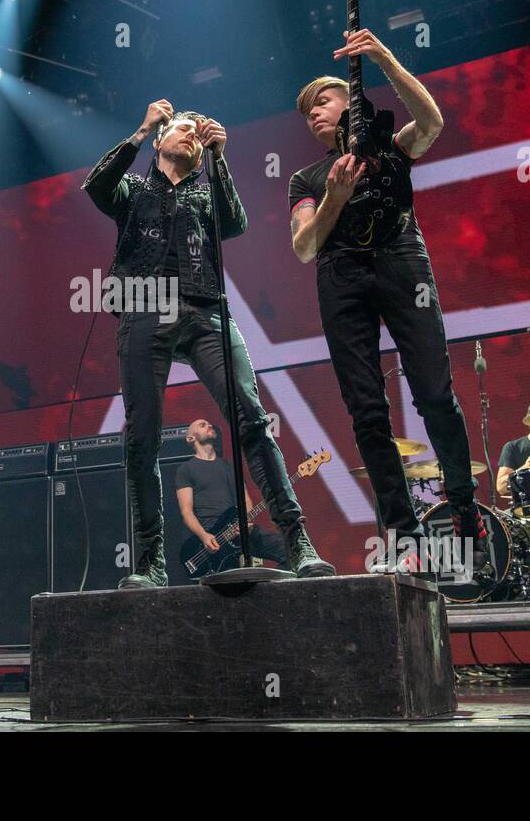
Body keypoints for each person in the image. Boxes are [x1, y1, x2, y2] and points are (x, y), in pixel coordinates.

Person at [83, 99, 334, 587]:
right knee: (142, 437)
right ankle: (150, 561)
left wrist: (219, 156)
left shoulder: (202, 196)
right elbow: (96, 186)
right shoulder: (134, 191)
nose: (190, 137)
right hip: (144, 306)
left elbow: (233, 221)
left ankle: (297, 540)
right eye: (181, 130)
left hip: (205, 311)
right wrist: (142, 128)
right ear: (160, 140)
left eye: (197, 136)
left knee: (250, 418)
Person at [286, 29, 487, 571]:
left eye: (321, 103)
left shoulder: (392, 147)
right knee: (367, 414)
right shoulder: (306, 178)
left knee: (434, 395)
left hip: (402, 262)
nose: (314, 115)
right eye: (306, 113)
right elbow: (305, 246)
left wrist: (383, 57)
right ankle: (403, 537)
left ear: (351, 101)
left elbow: (433, 123)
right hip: (341, 277)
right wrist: (336, 196)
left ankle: (463, 501)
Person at [175, 419, 290, 572]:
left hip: (238, 528)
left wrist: (246, 522)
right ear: (191, 438)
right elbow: (186, 512)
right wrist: (204, 536)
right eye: (202, 425)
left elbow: (245, 499)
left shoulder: (230, 466)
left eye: (210, 424)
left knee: (288, 551)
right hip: (211, 534)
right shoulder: (186, 469)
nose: (209, 425)